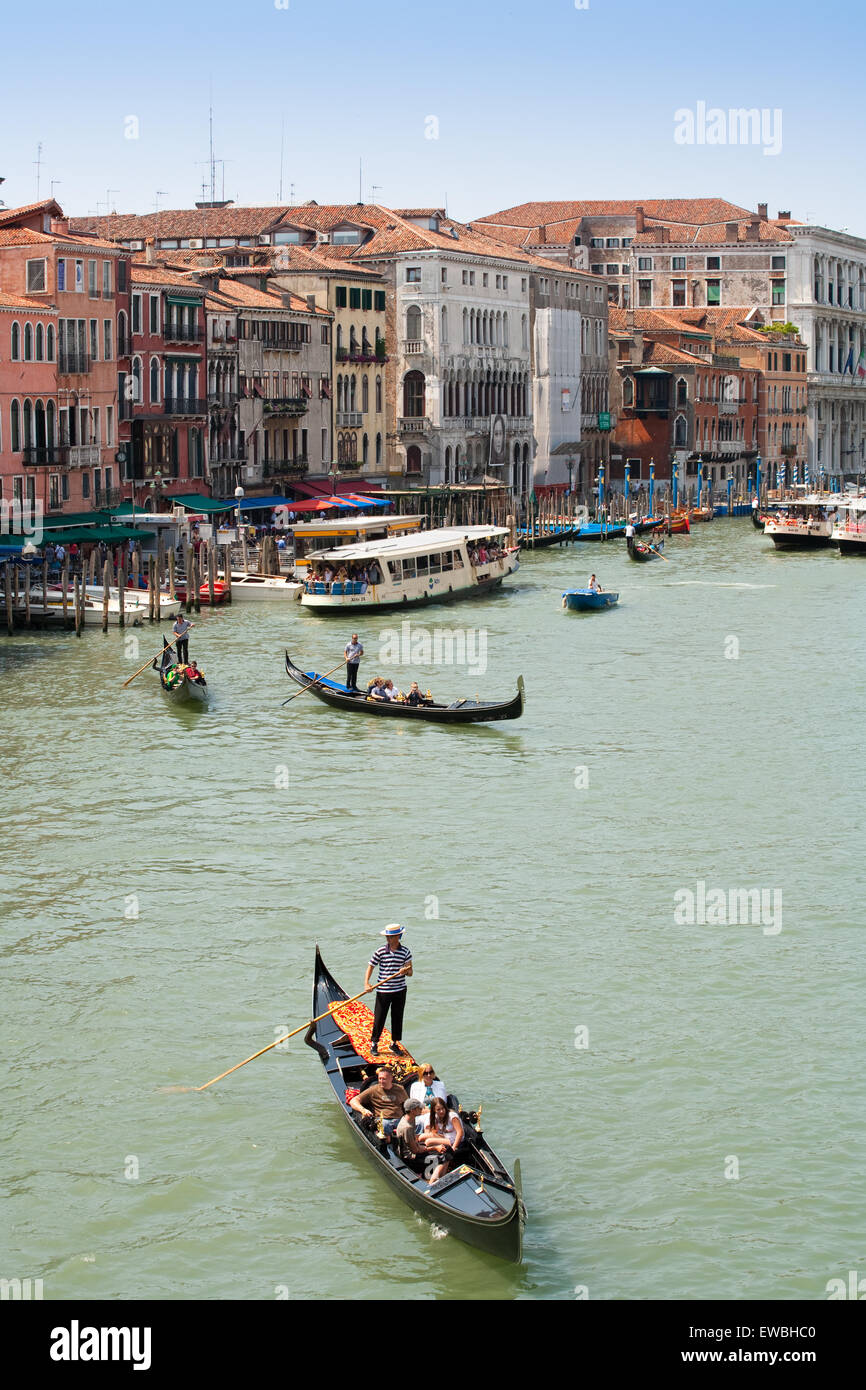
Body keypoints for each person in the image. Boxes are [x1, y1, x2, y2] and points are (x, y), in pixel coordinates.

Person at [364, 924, 412, 1056]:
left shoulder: (405, 952)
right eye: (387, 936)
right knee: (379, 1018)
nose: (388, 939)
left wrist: (405, 971)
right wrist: (367, 983)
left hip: (400, 990)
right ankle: (374, 1043)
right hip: (383, 990)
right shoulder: (380, 951)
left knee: (397, 1017)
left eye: (391, 937)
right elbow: (370, 966)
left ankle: (394, 1044)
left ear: (398, 936)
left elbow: (410, 972)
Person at [349, 1065, 408, 1138]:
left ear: (391, 1079)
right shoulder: (373, 1090)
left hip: (399, 1119)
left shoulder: (400, 1089)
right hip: (384, 1120)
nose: (381, 1081)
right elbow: (353, 1101)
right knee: (385, 1125)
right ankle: (389, 1141)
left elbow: (408, 1104)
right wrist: (363, 1110)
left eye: (384, 1079)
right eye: (380, 1079)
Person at [419, 1096, 465, 1184]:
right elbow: (434, 1131)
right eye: (438, 1110)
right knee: (422, 1137)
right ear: (434, 1110)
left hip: (454, 1139)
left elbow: (460, 1133)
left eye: (443, 1109)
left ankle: (435, 1177)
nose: (441, 1111)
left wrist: (453, 1148)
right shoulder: (436, 1117)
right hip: (445, 1137)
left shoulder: (452, 1116)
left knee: (428, 1141)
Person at [395, 1097, 430, 1166]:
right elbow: (415, 1150)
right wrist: (433, 1148)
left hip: (414, 1148)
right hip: (410, 1158)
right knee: (442, 1156)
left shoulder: (409, 1118)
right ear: (412, 1111)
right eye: (419, 1108)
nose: (421, 1109)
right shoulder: (407, 1127)